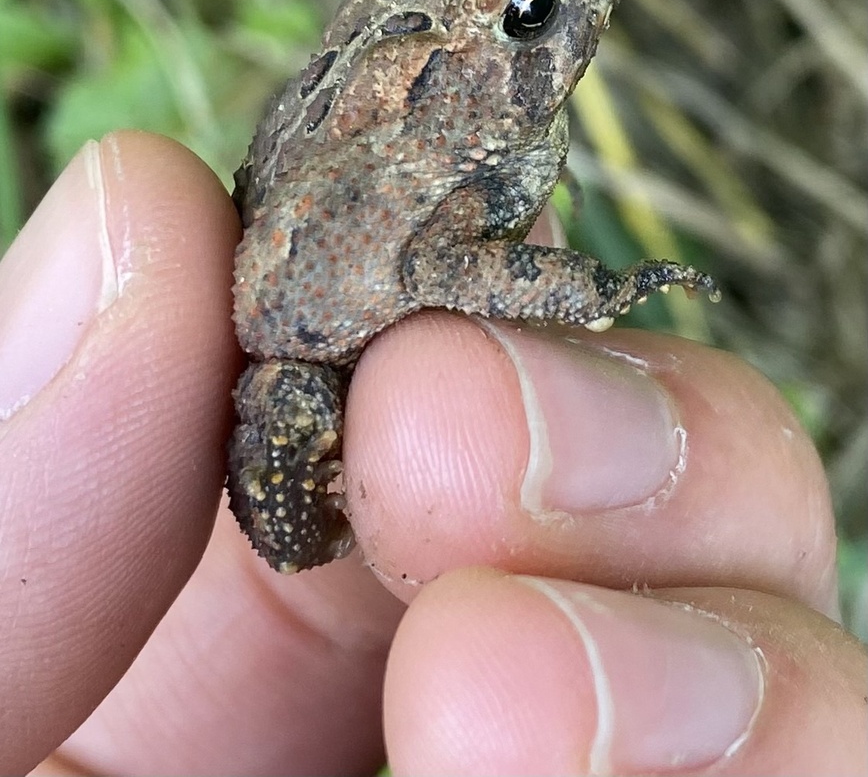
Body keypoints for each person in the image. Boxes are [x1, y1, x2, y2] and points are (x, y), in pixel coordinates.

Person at [1, 131, 865, 777]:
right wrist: (602, 289)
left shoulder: (456, 148)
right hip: (290, 358)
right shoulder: (443, 149)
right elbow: (454, 268)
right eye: (529, 12)